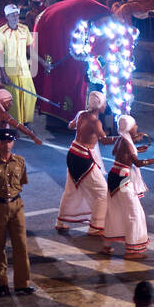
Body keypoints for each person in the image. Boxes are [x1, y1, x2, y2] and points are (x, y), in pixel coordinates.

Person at [0, 129, 34, 295]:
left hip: (16, 206)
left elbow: (21, 182)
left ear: (13, 142)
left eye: (9, 141)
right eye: (3, 142)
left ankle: (22, 283)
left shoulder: (20, 162)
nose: (6, 145)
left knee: (21, 245)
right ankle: (1, 283)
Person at [103, 115, 154, 259]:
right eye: (134, 125)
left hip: (114, 175)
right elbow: (138, 163)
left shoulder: (121, 139)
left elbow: (116, 153)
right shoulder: (126, 142)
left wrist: (135, 149)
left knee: (114, 210)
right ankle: (132, 250)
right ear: (129, 128)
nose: (137, 127)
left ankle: (107, 245)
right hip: (123, 179)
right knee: (134, 213)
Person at [56, 91, 113, 236]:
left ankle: (60, 222)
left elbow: (70, 126)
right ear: (99, 105)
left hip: (72, 153)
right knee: (102, 191)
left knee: (70, 189)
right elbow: (105, 141)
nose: (105, 105)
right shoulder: (95, 121)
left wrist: (81, 126)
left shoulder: (81, 114)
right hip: (82, 157)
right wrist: (123, 138)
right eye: (104, 103)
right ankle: (96, 226)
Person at [0, 3, 37, 124]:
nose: (15, 17)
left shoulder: (24, 29)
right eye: (12, 15)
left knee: (30, 95)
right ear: (7, 16)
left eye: (17, 14)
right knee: (13, 100)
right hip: (10, 71)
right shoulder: (1, 32)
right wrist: (2, 75)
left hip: (24, 70)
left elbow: (30, 49)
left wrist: (43, 63)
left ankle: (26, 123)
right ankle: (13, 125)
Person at [0, 88, 42, 163]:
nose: (11, 105)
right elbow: (19, 126)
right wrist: (33, 137)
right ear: (4, 102)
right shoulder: (2, 114)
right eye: (10, 102)